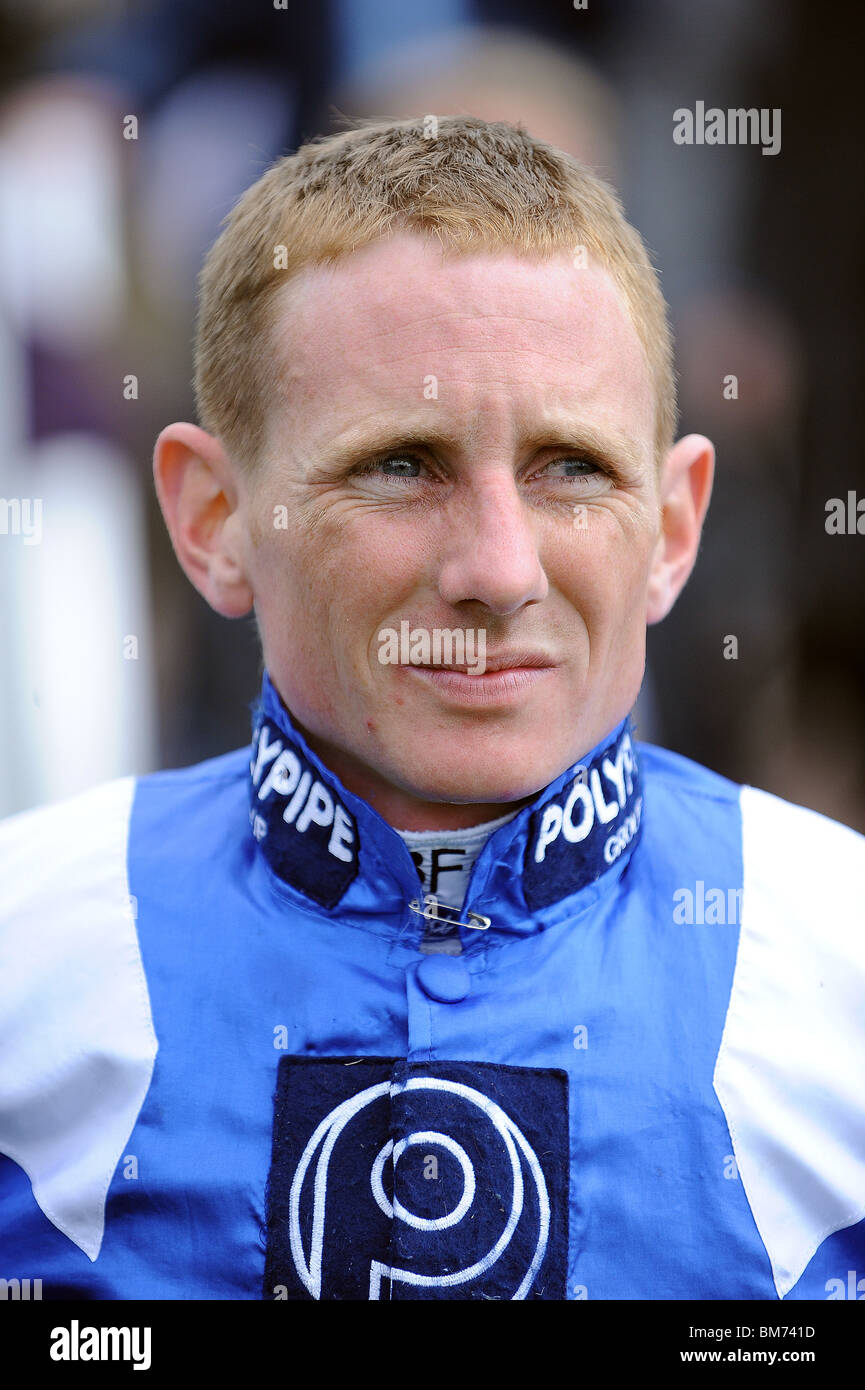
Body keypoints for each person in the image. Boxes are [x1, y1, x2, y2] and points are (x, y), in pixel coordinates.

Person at [1, 117, 863, 1302]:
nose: (500, 570)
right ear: (212, 519)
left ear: (672, 528)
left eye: (572, 467)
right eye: (401, 464)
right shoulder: (22, 956)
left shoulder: (841, 964)